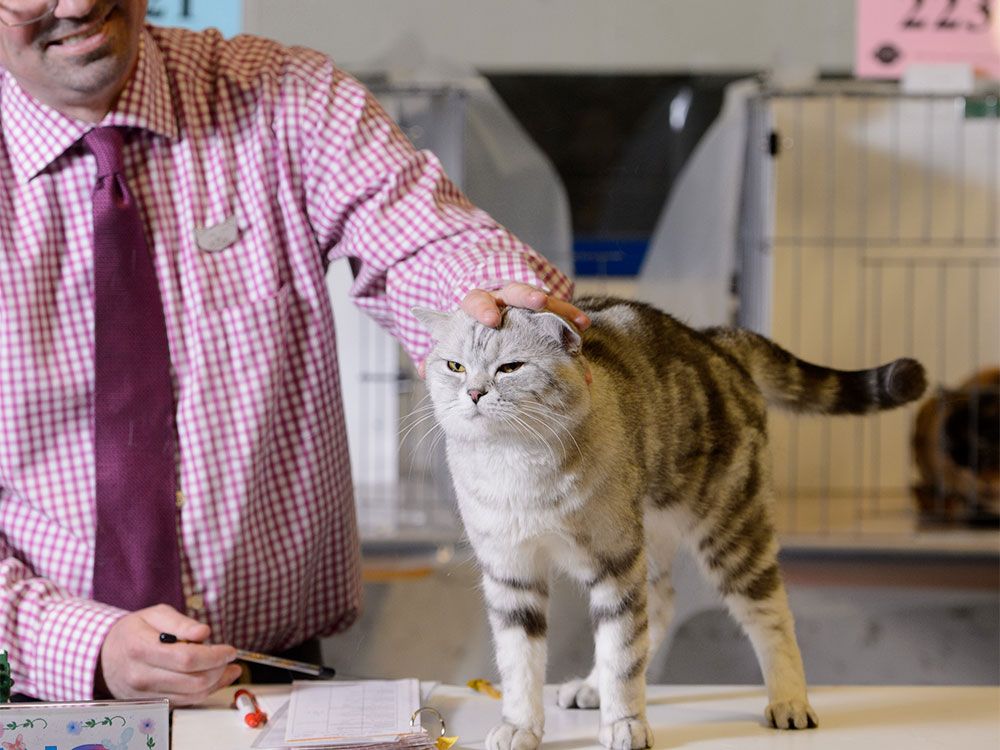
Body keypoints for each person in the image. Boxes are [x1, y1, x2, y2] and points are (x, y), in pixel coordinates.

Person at [0, 0, 588, 704]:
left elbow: (423, 238)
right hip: (36, 688)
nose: (75, 4)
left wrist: (488, 307)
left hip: (275, 681)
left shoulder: (285, 96)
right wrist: (77, 642)